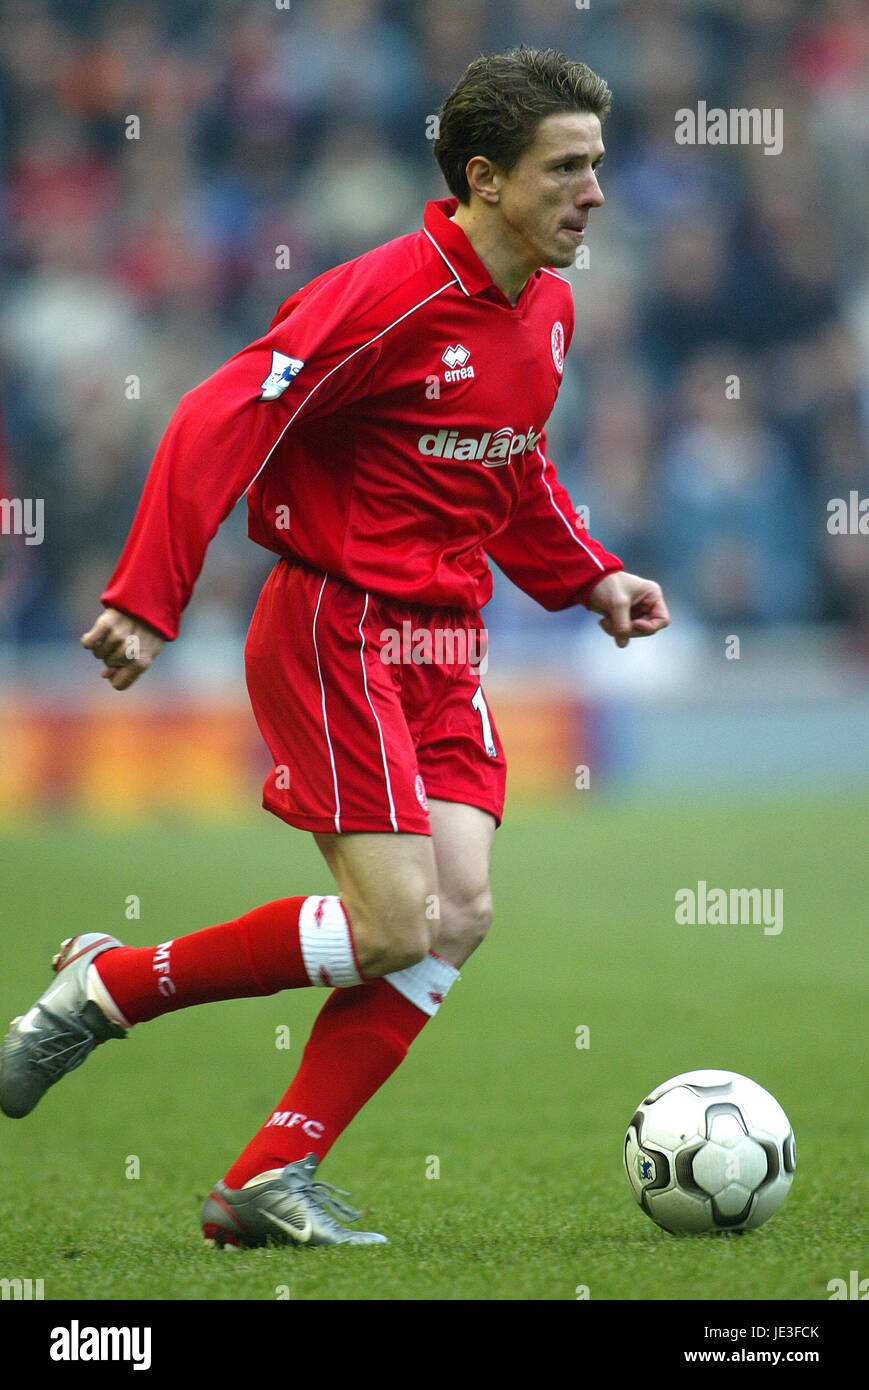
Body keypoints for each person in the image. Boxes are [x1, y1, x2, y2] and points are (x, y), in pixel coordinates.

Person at [0, 47, 669, 1247]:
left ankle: (266, 1174)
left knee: (457, 911)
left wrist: (593, 577)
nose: (595, 192)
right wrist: (152, 594)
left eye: (597, 165)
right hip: (337, 628)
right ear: (484, 178)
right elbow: (222, 409)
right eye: (567, 167)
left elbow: (512, 468)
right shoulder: (386, 296)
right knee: (393, 926)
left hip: (445, 646)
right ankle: (107, 987)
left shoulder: (550, 309)